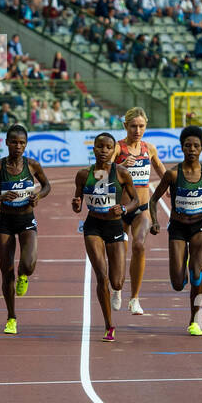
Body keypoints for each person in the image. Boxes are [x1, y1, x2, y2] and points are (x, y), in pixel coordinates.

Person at [149, 126, 202, 336]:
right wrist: (155, 221)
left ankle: (194, 321)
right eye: (187, 145)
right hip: (177, 227)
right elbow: (154, 199)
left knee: (196, 275)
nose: (192, 149)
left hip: (199, 227)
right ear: (181, 147)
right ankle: (184, 265)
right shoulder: (172, 174)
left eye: (196, 146)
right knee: (177, 284)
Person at [0, 124, 52, 334]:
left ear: (26, 145)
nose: (18, 146)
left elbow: (47, 186)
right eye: (14, 142)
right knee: (6, 273)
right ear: (7, 143)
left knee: (29, 264)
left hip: (27, 219)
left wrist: (39, 196)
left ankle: (23, 275)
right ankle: (11, 317)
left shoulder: (33, 165)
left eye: (22, 143)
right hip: (6, 223)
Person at [71, 132, 137, 342]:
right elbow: (77, 200)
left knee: (116, 281)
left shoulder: (122, 173)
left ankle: (117, 290)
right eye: (100, 147)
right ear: (94, 149)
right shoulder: (83, 174)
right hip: (93, 226)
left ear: (113, 150)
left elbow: (135, 200)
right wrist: (77, 204)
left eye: (108, 147)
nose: (104, 151)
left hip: (115, 226)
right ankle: (109, 325)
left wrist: (124, 209)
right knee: (102, 276)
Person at [113, 108, 166, 316]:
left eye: (141, 126)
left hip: (141, 210)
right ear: (125, 126)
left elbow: (162, 170)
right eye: (133, 126)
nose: (137, 130)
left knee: (139, 245)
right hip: (119, 210)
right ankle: (117, 289)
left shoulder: (149, 148)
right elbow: (100, 173)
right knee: (119, 253)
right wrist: (119, 166)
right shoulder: (117, 148)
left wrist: (170, 186)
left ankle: (134, 298)